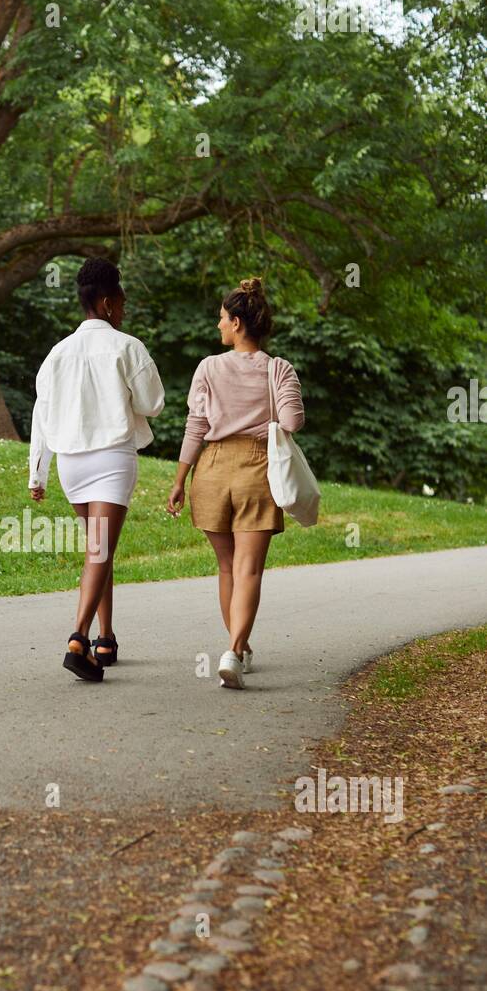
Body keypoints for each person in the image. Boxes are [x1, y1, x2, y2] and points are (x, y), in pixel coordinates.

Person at [28, 257, 165, 681]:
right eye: (121, 299)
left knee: (98, 551)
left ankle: (106, 639)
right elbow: (153, 404)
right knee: (99, 551)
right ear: (106, 302)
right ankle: (78, 639)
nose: (123, 307)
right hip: (111, 459)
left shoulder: (57, 354)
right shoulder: (127, 346)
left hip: (71, 464)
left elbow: (41, 415)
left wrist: (38, 474)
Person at [166, 277, 305, 689]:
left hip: (210, 469)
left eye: (222, 319)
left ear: (239, 324)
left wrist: (179, 480)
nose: (218, 326)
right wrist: (269, 421)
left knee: (226, 567)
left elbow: (196, 425)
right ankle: (233, 650)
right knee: (249, 570)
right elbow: (293, 422)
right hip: (255, 471)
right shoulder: (279, 369)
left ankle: (238, 649)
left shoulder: (208, 367)